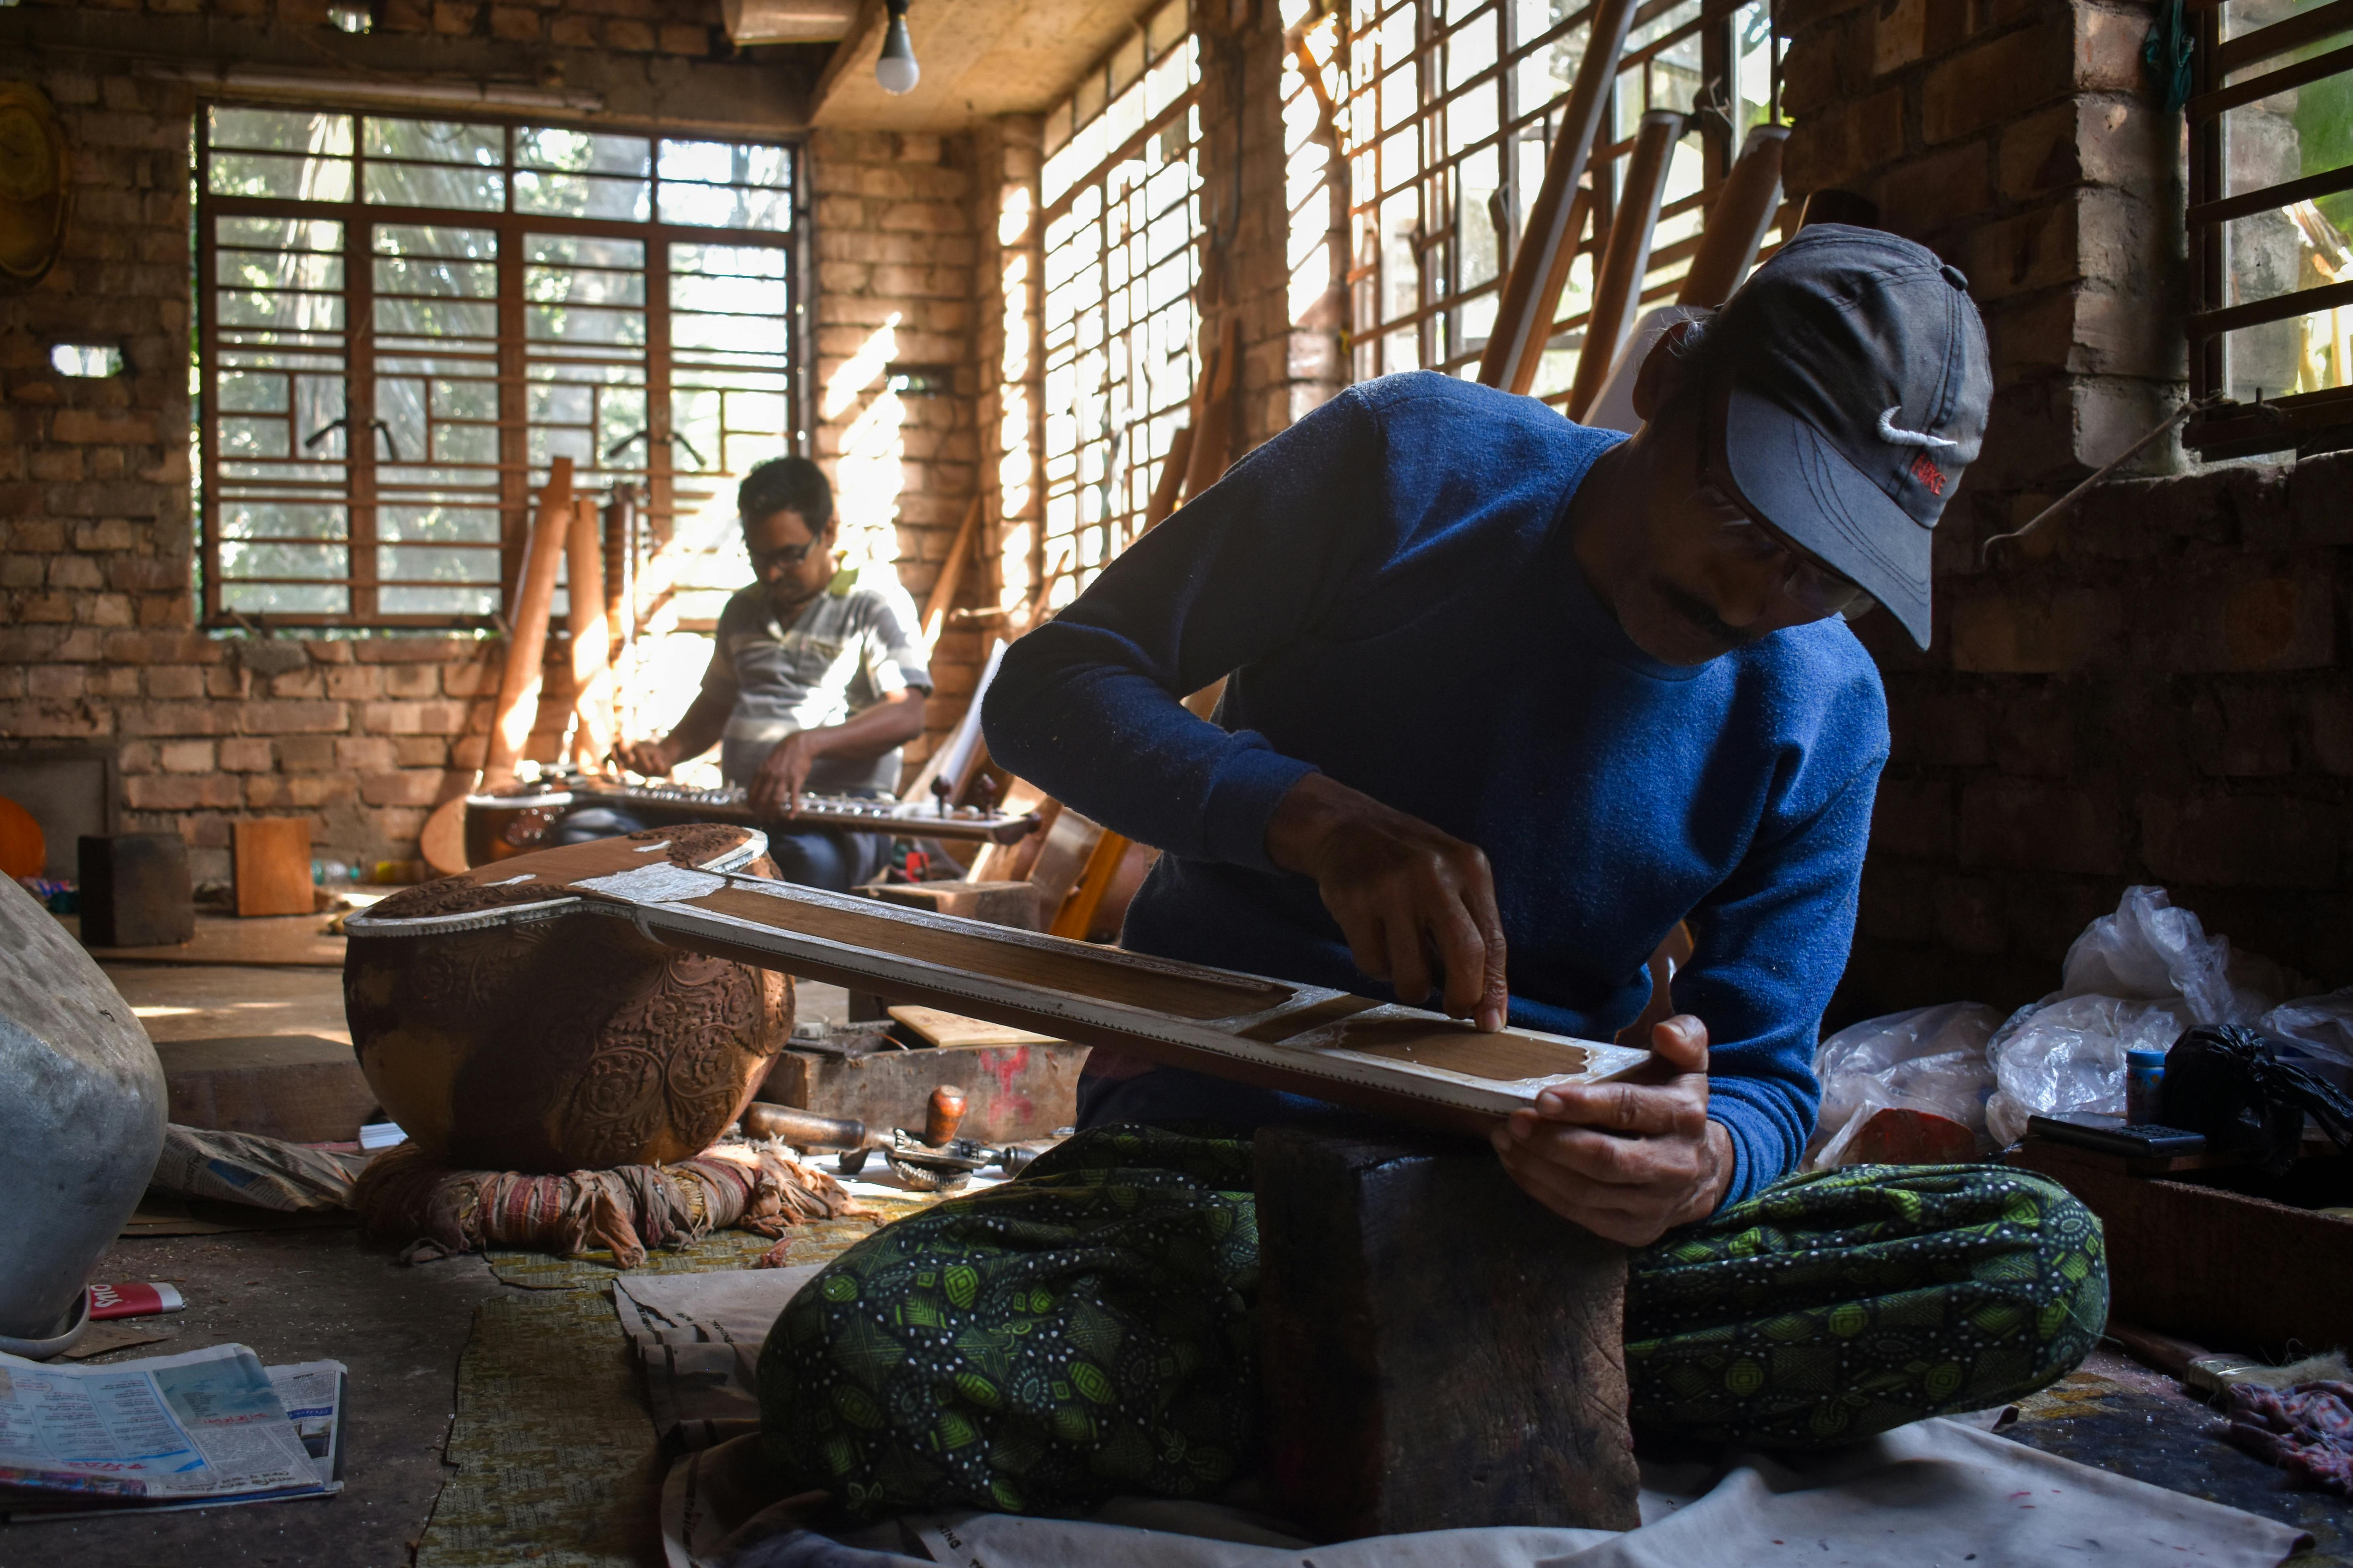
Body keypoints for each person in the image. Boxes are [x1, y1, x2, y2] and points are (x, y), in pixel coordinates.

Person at [756, 227, 2108, 1515]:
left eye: (1824, 572)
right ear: (1669, 376)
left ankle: (1340, 1365)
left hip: (1537, 1230)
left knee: (2038, 1261)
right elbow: (1051, 689)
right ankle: (1443, 1366)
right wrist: (1307, 818)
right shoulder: (1409, 465)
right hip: (1213, 1176)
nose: (1755, 597)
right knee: (858, 1362)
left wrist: (1696, 1169)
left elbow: (1762, 1075)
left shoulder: (1827, 708)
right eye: (1741, 509)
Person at [591, 456, 932, 891]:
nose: (772, 573)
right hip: (743, 808)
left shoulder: (873, 602)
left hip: (835, 821)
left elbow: (908, 715)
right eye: (759, 557)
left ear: (827, 532)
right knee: (593, 831)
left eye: (789, 557)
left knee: (797, 864)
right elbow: (716, 705)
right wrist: (667, 749)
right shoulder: (742, 609)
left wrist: (807, 744)